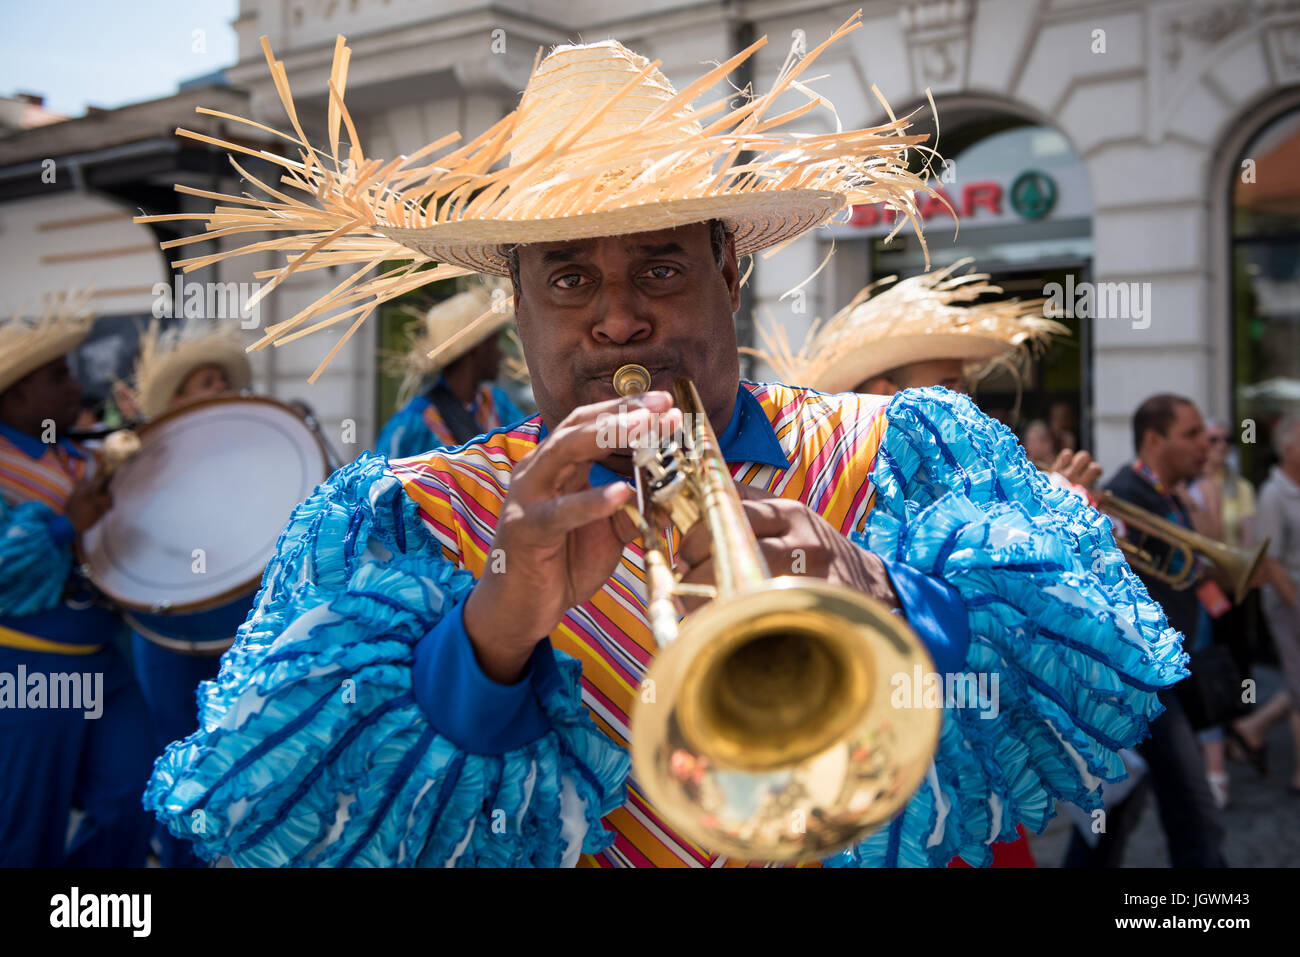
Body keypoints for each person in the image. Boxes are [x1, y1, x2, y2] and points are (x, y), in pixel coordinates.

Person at [135, 19, 1186, 868]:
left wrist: (881, 589)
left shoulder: (900, 448)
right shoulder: (412, 515)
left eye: (662, 269)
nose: (619, 319)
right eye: (570, 279)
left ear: (729, 275)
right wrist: (488, 636)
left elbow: (1078, 652)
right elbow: (311, 799)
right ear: (517, 306)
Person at [0, 292, 155, 866]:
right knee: (25, 829)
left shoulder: (75, 456)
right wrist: (67, 528)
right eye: (57, 377)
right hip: (26, 672)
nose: (75, 387)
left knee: (134, 797)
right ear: (17, 394)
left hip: (106, 663)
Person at [1065, 393, 1226, 867]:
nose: (1204, 445)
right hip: (1141, 680)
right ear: (1154, 440)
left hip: (1163, 673)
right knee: (1194, 808)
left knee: (1118, 809)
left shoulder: (1168, 496)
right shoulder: (1126, 496)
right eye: (1191, 434)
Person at [119, 318, 253, 867]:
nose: (219, 392)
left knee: (237, 762)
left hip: (237, 632)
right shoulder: (140, 464)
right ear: (177, 400)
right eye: (205, 383)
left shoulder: (255, 459)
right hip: (166, 639)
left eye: (223, 382)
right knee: (176, 760)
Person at [1187, 420, 1258, 807]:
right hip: (1197, 591)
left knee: (1226, 662)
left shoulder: (1234, 488)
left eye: (1221, 440)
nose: (1215, 446)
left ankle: (1229, 739)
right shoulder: (1187, 485)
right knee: (1203, 667)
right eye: (1208, 439)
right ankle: (1214, 757)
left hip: (1224, 586)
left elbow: (1225, 542)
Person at [377, 279, 525, 457]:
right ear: (476, 350)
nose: (500, 353)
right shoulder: (413, 425)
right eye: (493, 343)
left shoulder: (497, 404)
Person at [1252, 415, 1300, 794]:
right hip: (1288, 602)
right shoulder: (1273, 493)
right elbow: (1272, 559)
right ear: (1288, 449)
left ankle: (1254, 726)